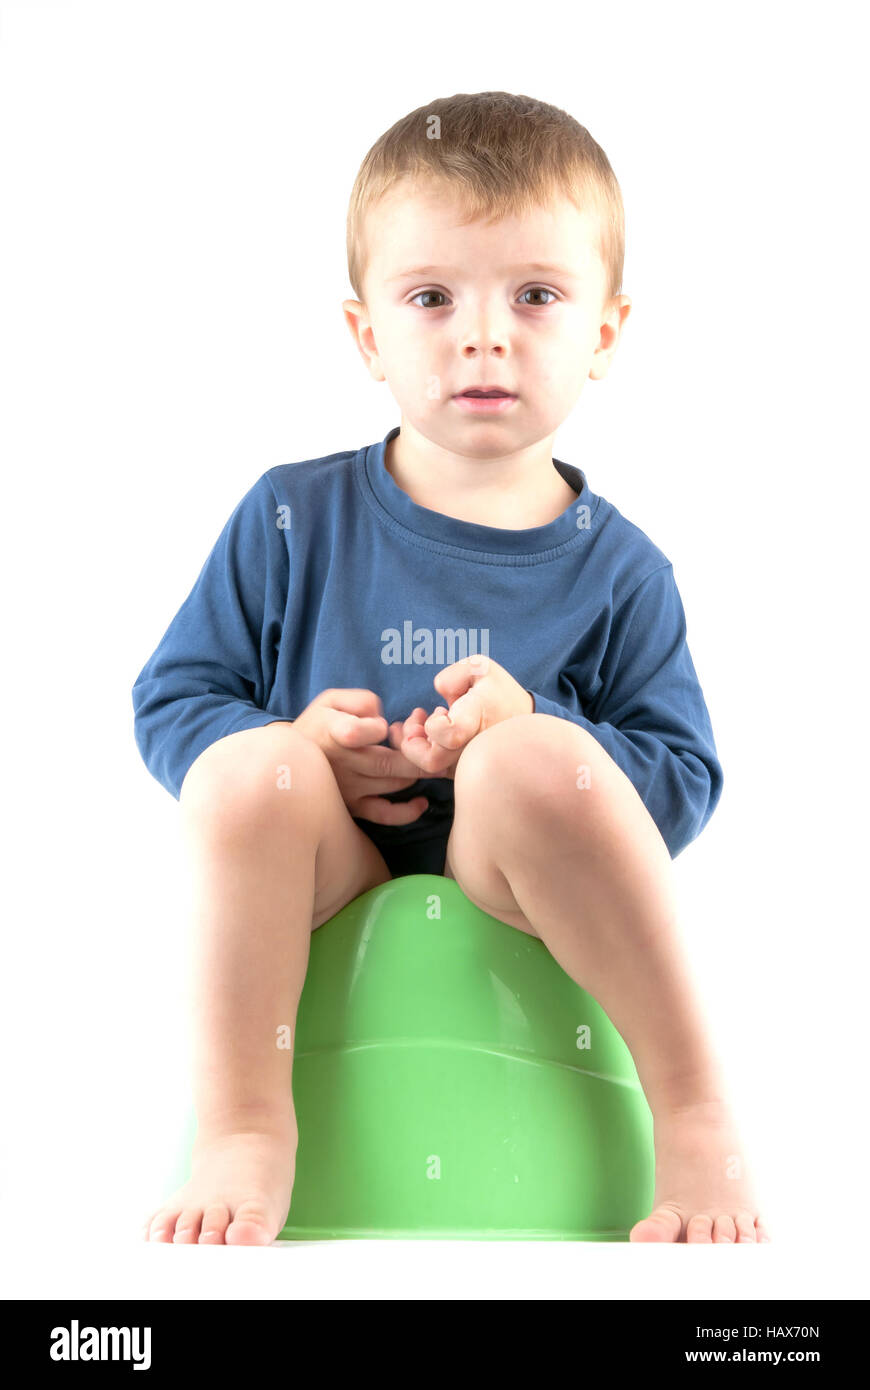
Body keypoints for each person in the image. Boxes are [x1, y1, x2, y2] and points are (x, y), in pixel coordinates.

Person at [132, 91, 769, 1245]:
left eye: (536, 295)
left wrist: (544, 745)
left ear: (606, 333)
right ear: (368, 333)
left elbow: (682, 781)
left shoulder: (621, 570)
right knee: (245, 773)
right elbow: (176, 699)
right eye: (432, 298)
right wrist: (304, 753)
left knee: (533, 762)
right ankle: (243, 1123)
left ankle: (695, 1113)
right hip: (323, 884)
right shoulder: (289, 517)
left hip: (517, 898)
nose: (485, 336)